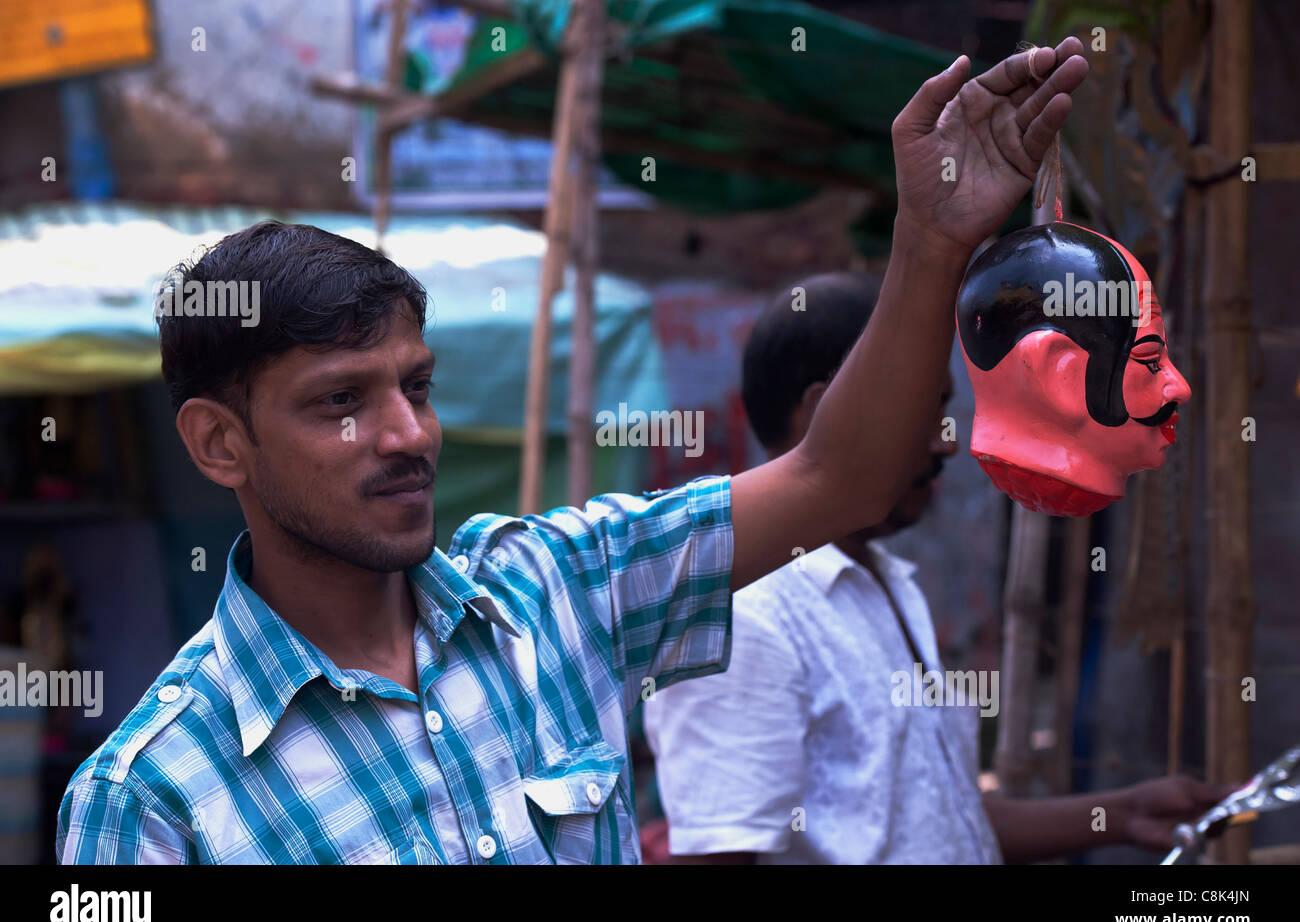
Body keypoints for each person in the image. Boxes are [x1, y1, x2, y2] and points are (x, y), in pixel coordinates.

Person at [58, 41, 1092, 864]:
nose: (410, 434)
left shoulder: (554, 589)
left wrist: (930, 239)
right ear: (217, 444)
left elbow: (840, 479)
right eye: (340, 403)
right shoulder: (150, 800)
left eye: (414, 387)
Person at [643, 272, 1229, 865]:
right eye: (931, 412)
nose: (949, 445)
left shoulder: (880, 579)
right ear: (826, 412)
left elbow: (935, 821)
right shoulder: (744, 617)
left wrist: (1124, 815)